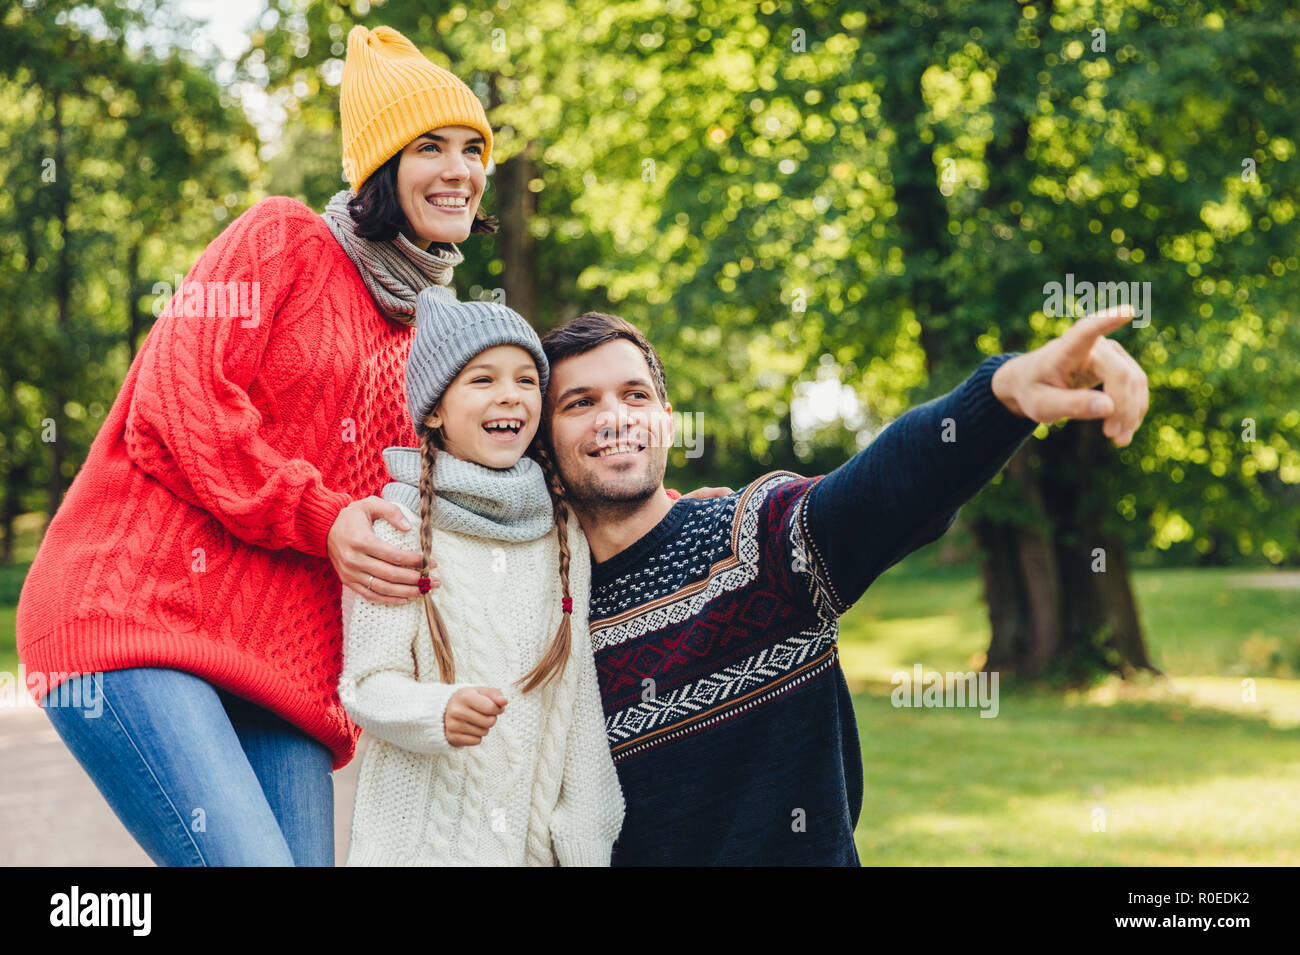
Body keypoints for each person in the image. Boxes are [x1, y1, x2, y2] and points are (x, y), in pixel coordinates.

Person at [13, 24, 497, 865]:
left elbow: (488, 482)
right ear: (381, 163)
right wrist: (323, 516)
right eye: (432, 147)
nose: (461, 170)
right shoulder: (281, 241)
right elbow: (181, 404)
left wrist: (661, 510)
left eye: (473, 148)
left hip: (285, 670)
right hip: (135, 617)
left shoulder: (430, 339)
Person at [534, 305, 1149, 865]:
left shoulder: (758, 541)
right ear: (547, 449)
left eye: (634, 394)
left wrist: (1000, 396)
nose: (614, 417)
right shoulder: (539, 618)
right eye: (580, 403)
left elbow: (884, 490)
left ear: (666, 424)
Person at [338, 287, 624, 866]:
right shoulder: (398, 528)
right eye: (482, 379)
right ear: (436, 409)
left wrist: (587, 841)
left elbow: (580, 708)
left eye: (526, 381)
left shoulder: (563, 530)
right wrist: (435, 711)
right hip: (418, 849)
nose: (510, 397)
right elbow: (366, 684)